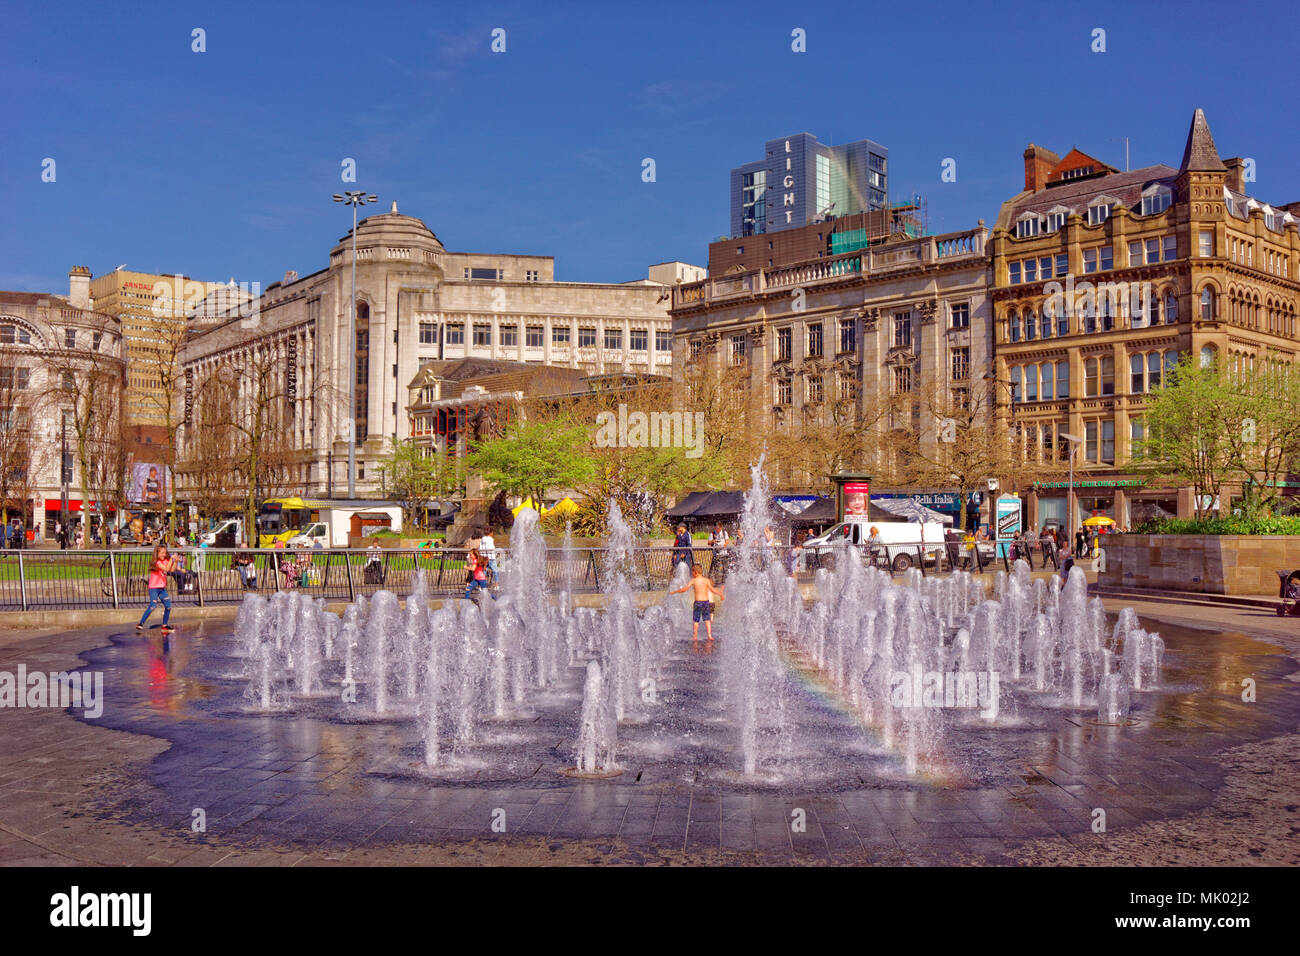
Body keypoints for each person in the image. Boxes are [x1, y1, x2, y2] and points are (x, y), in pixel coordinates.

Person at [668, 563, 725, 642]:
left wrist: (675, 591)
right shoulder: (706, 580)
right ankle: (709, 635)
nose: (692, 574)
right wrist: (720, 593)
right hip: (705, 602)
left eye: (692, 572)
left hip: (698, 602)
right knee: (707, 619)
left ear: (695, 572)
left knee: (696, 620)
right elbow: (712, 590)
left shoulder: (694, 580)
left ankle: (695, 636)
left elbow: (685, 589)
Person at [137, 544, 178, 634]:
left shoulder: (166, 561)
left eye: (165, 552)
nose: (164, 554)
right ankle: (140, 623)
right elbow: (166, 569)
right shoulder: (157, 563)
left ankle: (165, 625)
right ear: (157, 553)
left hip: (162, 588)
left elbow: (172, 570)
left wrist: (175, 562)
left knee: (168, 606)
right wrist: (171, 559)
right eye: (162, 553)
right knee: (153, 606)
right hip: (154, 588)